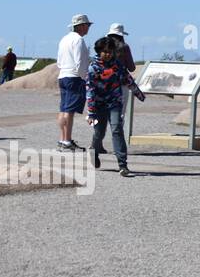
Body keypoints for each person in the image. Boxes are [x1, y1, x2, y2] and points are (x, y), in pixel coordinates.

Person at [85, 35, 145, 177]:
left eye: (110, 51)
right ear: (99, 51)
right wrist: (91, 112)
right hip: (98, 105)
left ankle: (122, 164)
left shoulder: (117, 65)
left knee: (117, 129)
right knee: (99, 132)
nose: (107, 54)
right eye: (105, 51)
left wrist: (138, 93)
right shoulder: (93, 68)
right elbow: (90, 90)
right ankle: (94, 150)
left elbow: (127, 79)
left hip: (115, 103)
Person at [57, 14, 93, 151]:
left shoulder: (64, 39)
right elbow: (80, 61)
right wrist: (83, 76)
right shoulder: (78, 40)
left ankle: (62, 138)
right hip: (74, 77)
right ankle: (67, 141)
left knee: (63, 109)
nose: (88, 28)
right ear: (82, 26)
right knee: (70, 111)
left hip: (63, 75)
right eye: (87, 25)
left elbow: (59, 61)